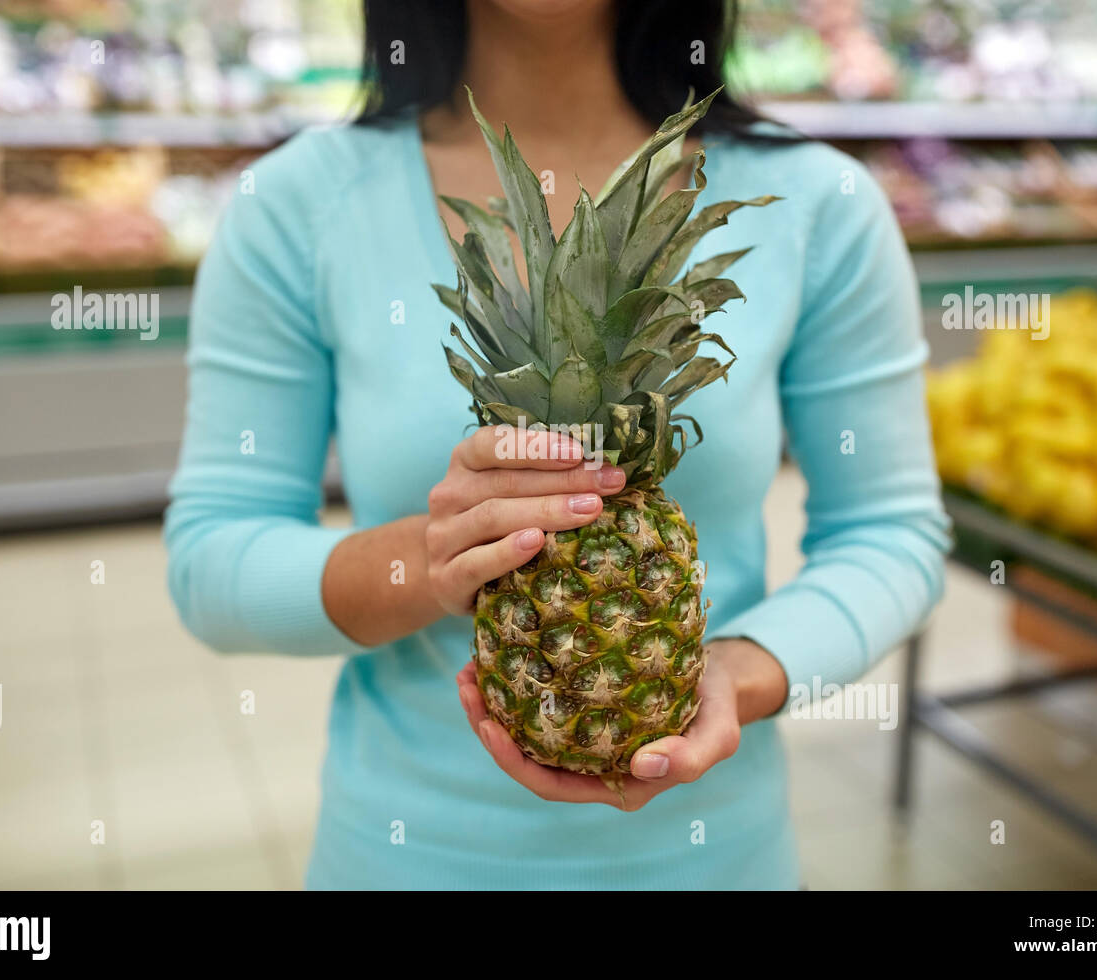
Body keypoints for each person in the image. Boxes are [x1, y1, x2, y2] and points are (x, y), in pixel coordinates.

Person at [164, 0, 950, 889]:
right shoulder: (298, 204)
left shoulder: (822, 204)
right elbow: (211, 564)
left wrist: (747, 670)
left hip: (716, 861)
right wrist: (429, 560)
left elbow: (892, 532)